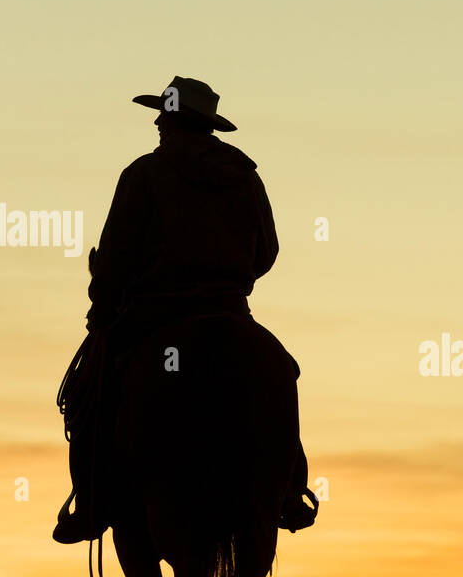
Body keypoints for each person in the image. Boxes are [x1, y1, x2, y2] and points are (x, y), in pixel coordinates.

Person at [53, 75, 318, 544]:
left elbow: (113, 258)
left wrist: (106, 304)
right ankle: (290, 489)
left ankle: (91, 501)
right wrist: (229, 281)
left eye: (162, 116)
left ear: (173, 122)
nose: (157, 123)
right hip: (230, 308)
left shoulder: (142, 174)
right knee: (281, 374)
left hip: (155, 313)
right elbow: (267, 253)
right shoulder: (245, 178)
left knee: (84, 391)